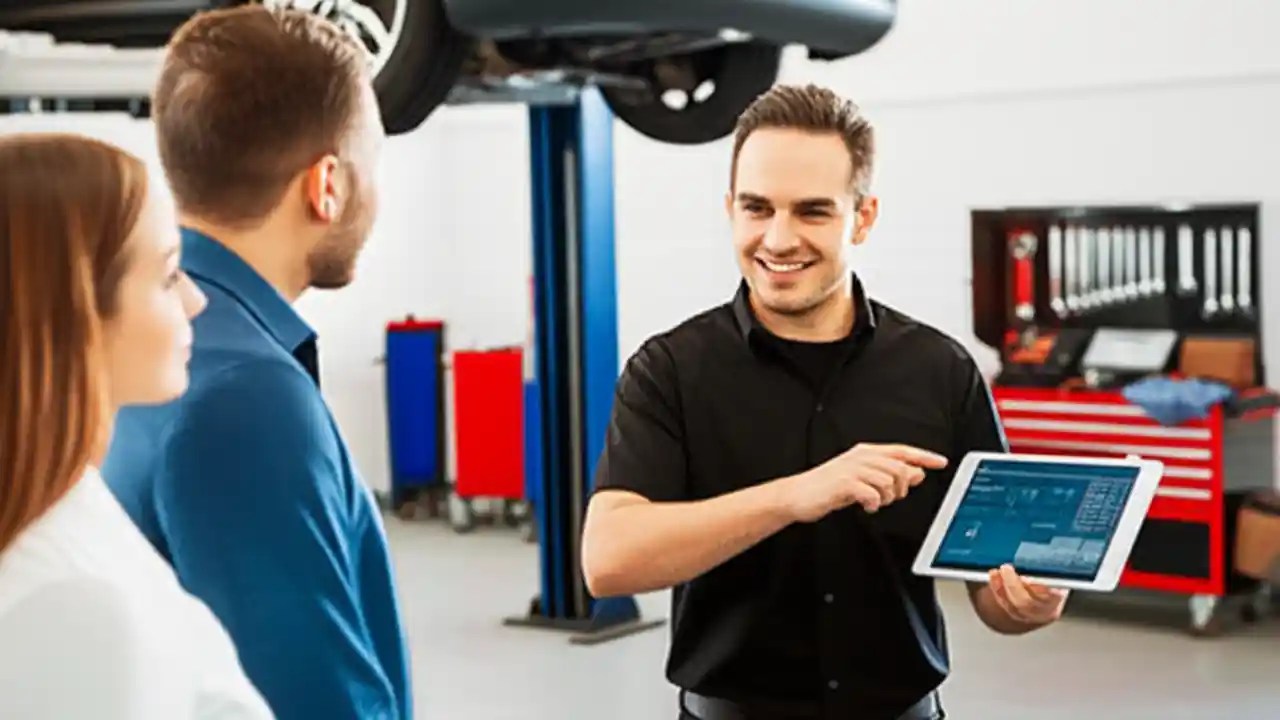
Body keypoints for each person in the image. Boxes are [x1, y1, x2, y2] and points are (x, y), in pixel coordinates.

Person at [580, 84, 1069, 720]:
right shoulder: (668, 370)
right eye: (757, 209)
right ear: (731, 209)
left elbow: (993, 592)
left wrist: (1029, 604)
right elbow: (609, 560)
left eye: (812, 212)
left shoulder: (941, 372)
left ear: (862, 218)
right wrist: (794, 496)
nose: (778, 239)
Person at [101, 6, 410, 720]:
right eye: (375, 164)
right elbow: (309, 698)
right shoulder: (245, 395)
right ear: (326, 185)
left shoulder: (155, 335)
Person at [0, 132, 273, 719]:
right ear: (72, 315)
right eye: (169, 275)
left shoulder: (69, 500)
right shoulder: (67, 609)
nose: (197, 301)